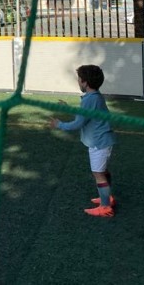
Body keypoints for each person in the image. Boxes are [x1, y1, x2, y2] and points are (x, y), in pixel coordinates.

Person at [49, 64, 117, 217]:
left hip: (99, 143)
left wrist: (59, 124)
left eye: (79, 80)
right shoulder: (94, 97)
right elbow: (85, 115)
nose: (78, 82)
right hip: (102, 141)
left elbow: (78, 123)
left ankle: (106, 206)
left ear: (85, 82)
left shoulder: (90, 99)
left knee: (98, 173)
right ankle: (107, 198)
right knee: (102, 171)